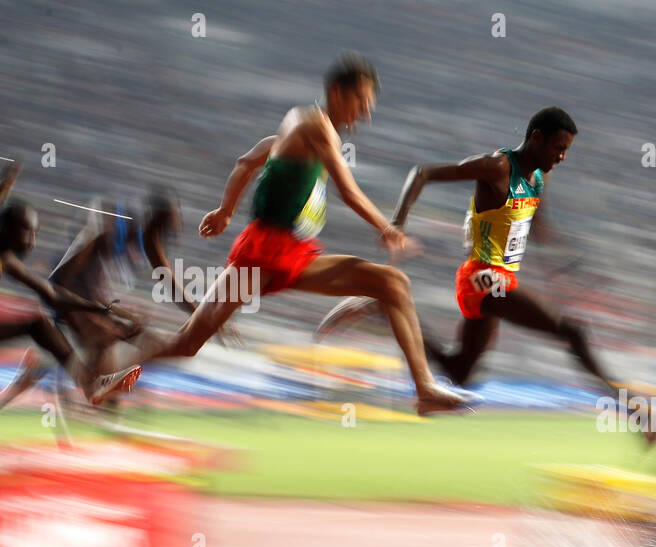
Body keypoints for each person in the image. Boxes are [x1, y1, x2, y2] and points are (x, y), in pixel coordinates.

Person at [104, 54, 463, 414]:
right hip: (272, 252)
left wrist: (226, 210)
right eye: (361, 101)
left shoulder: (298, 127)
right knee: (392, 284)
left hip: (272, 250)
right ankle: (425, 390)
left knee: (188, 341)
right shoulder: (316, 126)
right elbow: (348, 191)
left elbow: (247, 161)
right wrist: (387, 228)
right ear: (338, 93)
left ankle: (107, 369)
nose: (365, 113)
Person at [317, 106, 626, 402]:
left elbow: (534, 226)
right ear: (537, 139)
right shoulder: (497, 167)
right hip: (482, 278)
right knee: (571, 331)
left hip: (502, 279)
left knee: (458, 371)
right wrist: (396, 224)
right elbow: (421, 173)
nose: (562, 157)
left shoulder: (540, 178)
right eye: (558, 148)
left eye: (566, 150)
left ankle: (383, 308)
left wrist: (563, 260)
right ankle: (631, 407)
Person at [0, 172, 141, 406]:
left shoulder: (6, 258)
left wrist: (96, 308)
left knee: (38, 324)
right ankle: (91, 385)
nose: (32, 242)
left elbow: (51, 294)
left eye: (35, 233)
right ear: (6, 229)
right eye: (27, 231)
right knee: (38, 324)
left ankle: (92, 384)